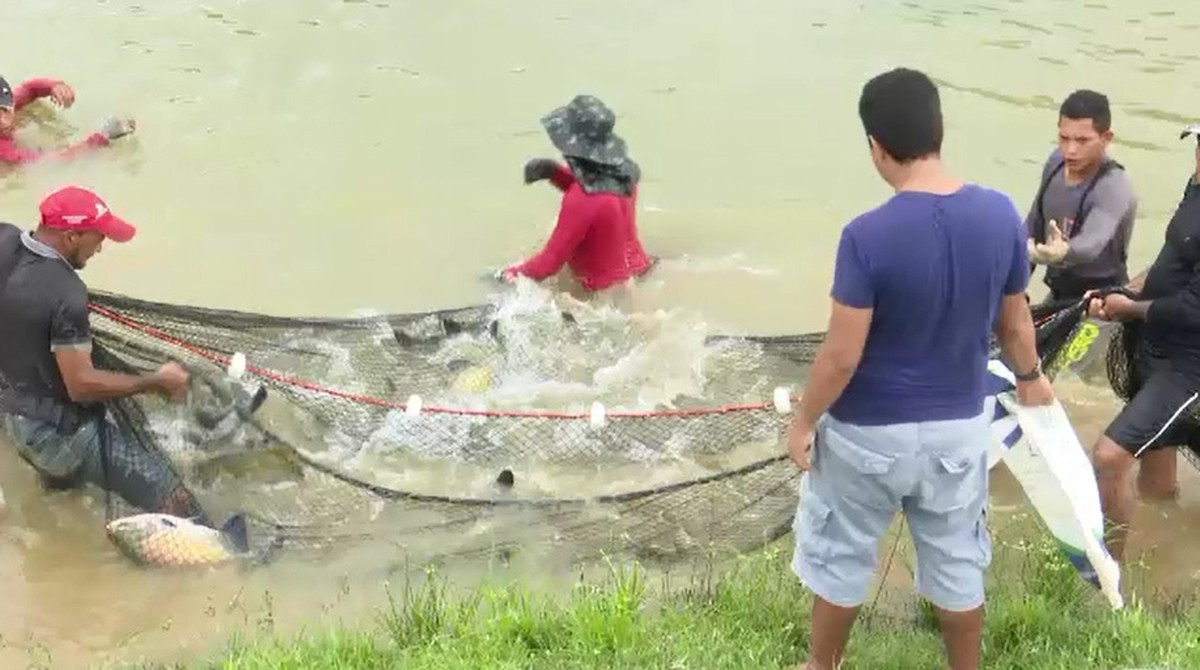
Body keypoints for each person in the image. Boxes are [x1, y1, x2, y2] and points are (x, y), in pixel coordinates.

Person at [786, 68, 1054, 670]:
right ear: (940, 129)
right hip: (958, 430)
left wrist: (803, 421)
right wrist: (1033, 380)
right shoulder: (999, 215)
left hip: (866, 437)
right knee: (958, 557)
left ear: (876, 148)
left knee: (843, 552)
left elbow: (841, 354)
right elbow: (1014, 325)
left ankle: (821, 665)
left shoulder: (865, 236)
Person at [0, 185, 206, 520]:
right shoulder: (66, 294)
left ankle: (56, 518)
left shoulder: (4, 238)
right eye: (98, 237)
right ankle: (224, 563)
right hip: (51, 432)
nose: (101, 248)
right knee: (169, 491)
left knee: (61, 475)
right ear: (70, 237)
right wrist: (156, 381)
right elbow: (80, 385)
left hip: (9, 412)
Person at [1084, 124, 1200, 564]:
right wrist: (1123, 291)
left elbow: (1193, 308)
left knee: (1110, 456)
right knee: (1156, 479)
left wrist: (1127, 308)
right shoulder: (1195, 186)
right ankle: (1167, 552)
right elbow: (1171, 262)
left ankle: (1107, 582)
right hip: (1152, 349)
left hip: (1186, 366)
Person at [501, 94, 655, 292]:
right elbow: (601, 205)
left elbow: (547, 265)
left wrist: (506, 275)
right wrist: (555, 173)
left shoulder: (581, 200)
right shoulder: (624, 173)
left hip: (603, 297)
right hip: (639, 271)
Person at [1023, 89, 1138, 304]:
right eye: (1064, 138)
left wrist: (1063, 251)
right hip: (1057, 291)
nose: (1071, 150)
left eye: (1083, 140)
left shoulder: (1114, 184)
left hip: (1101, 299)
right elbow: (1033, 225)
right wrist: (1014, 287)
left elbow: (1092, 243)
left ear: (1107, 138)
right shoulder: (1055, 163)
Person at [0, 74, 136, 167]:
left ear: (12, 103)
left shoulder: (12, 100)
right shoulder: (3, 150)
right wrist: (100, 139)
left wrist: (54, 86)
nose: (3, 121)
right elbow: (51, 162)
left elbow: (29, 89)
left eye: (5, 110)